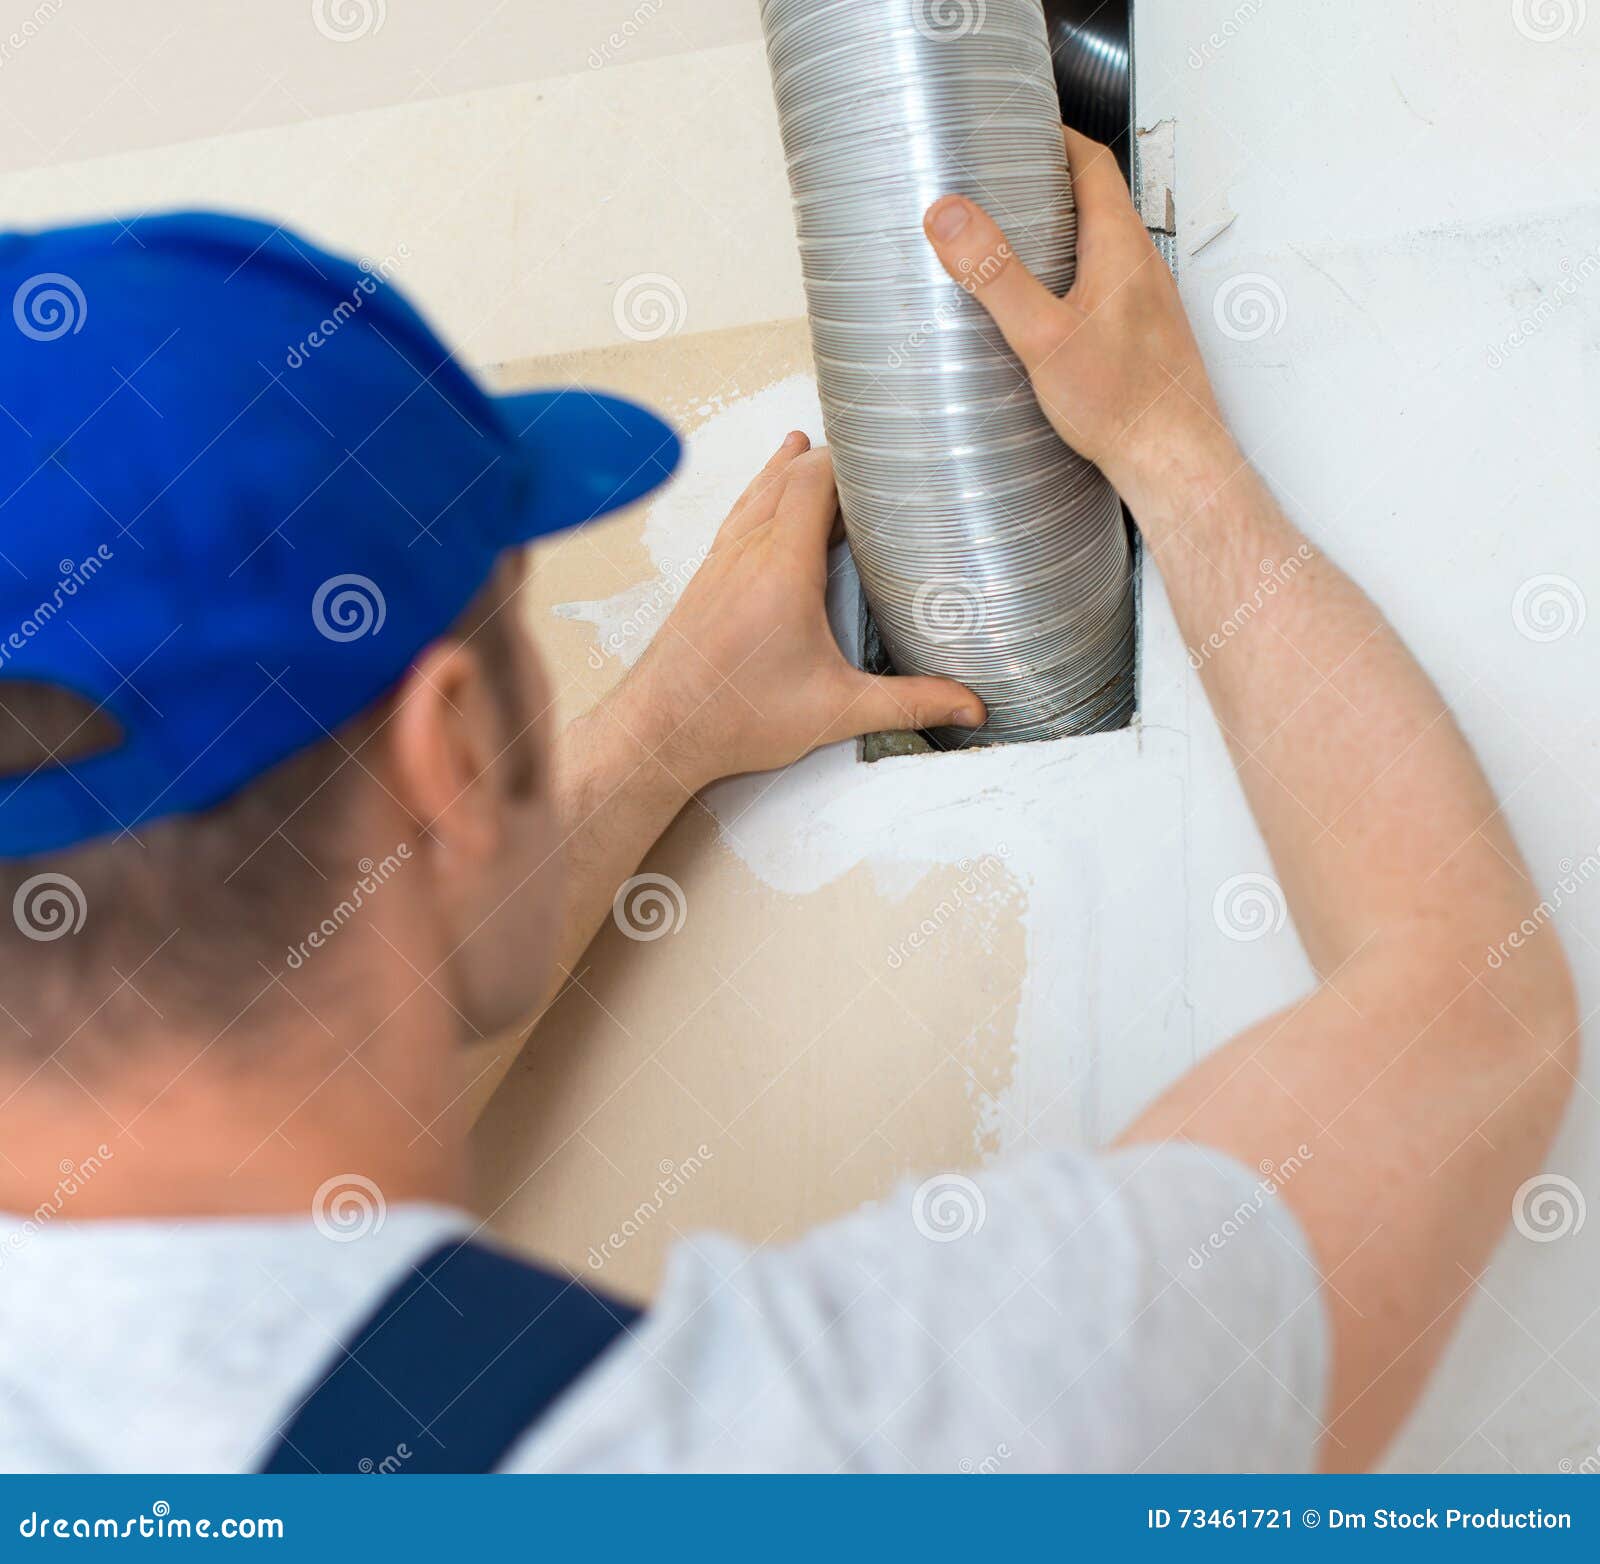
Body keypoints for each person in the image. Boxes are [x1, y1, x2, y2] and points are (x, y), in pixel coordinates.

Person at [0, 130, 1574, 1475]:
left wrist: (672, 728)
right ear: (451, 754)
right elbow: (1468, 1010)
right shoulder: (805, 1449)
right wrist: (1173, 452)